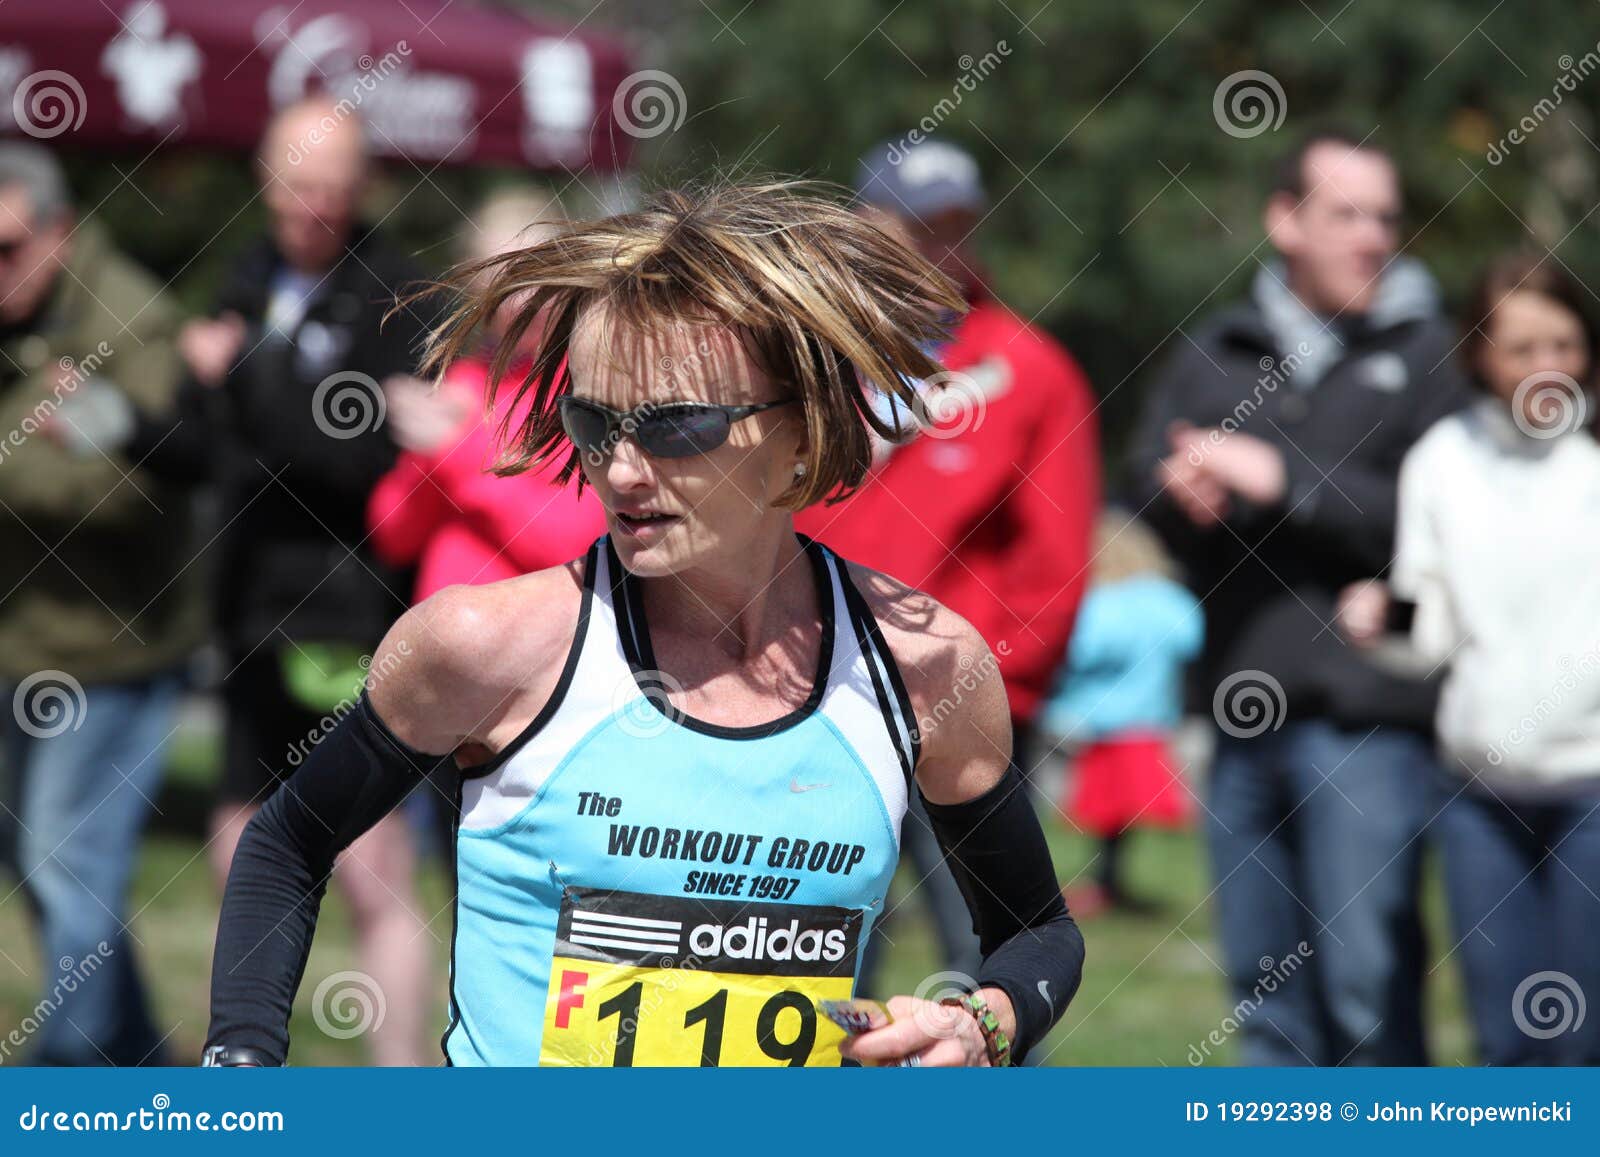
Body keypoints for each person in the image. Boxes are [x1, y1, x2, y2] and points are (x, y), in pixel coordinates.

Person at [204, 180, 1085, 1068]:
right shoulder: (489, 646)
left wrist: (983, 1022)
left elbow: (1040, 933)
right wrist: (239, 1069)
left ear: (806, 434)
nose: (620, 470)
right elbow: (286, 839)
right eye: (596, 422)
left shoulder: (924, 663)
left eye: (678, 426)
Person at [1126, 130, 1470, 1065]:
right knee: (1266, 1007)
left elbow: (1442, 515)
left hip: (1369, 721)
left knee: (1369, 991)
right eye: (1345, 214)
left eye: (1385, 217)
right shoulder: (1219, 346)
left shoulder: (1432, 355)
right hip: (1240, 717)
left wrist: (1288, 480)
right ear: (1285, 221)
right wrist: (1184, 492)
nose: (1372, 237)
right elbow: (1140, 486)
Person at [129, 95, 436, 1065]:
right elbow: (208, 444)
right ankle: (247, 1056)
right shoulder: (247, 274)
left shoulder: (397, 289)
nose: (317, 208)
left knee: (370, 864)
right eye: (300, 188)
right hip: (247, 610)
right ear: (266, 184)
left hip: (347, 614)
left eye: (336, 190)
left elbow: (360, 454)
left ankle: (398, 1080)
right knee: (240, 838)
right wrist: (119, 425)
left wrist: (249, 372)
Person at [796, 138, 1100, 991]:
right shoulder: (803, 361)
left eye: (962, 226)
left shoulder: (1029, 370)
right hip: (811, 701)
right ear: (864, 227)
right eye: (924, 226)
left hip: (965, 709)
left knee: (994, 971)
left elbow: (1057, 561)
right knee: (814, 962)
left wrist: (984, 689)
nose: (946, 247)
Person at [1337, 255, 1600, 1066]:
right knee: (1507, 1037)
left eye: (1563, 342)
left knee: (1585, 1039)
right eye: (1521, 347)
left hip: (1592, 789)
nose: (1545, 366)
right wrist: (1382, 617)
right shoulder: (1443, 460)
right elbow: (1431, 622)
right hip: (1481, 796)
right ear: (1481, 354)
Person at [0, 142, 202, 1065]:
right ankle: (145, 1064)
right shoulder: (17, 319)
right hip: (22, 643)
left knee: (64, 864)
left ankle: (66, 1083)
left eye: (8, 247)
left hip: (115, 652)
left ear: (58, 229)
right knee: (40, 869)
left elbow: (143, 489)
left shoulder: (130, 321)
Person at [1039, 510, 1202, 917]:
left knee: (1095, 813)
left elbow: (1082, 651)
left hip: (1097, 724)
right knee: (1122, 818)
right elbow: (1191, 640)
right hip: (1149, 721)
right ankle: (1110, 882)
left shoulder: (1099, 603)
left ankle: (1099, 885)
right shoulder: (1169, 598)